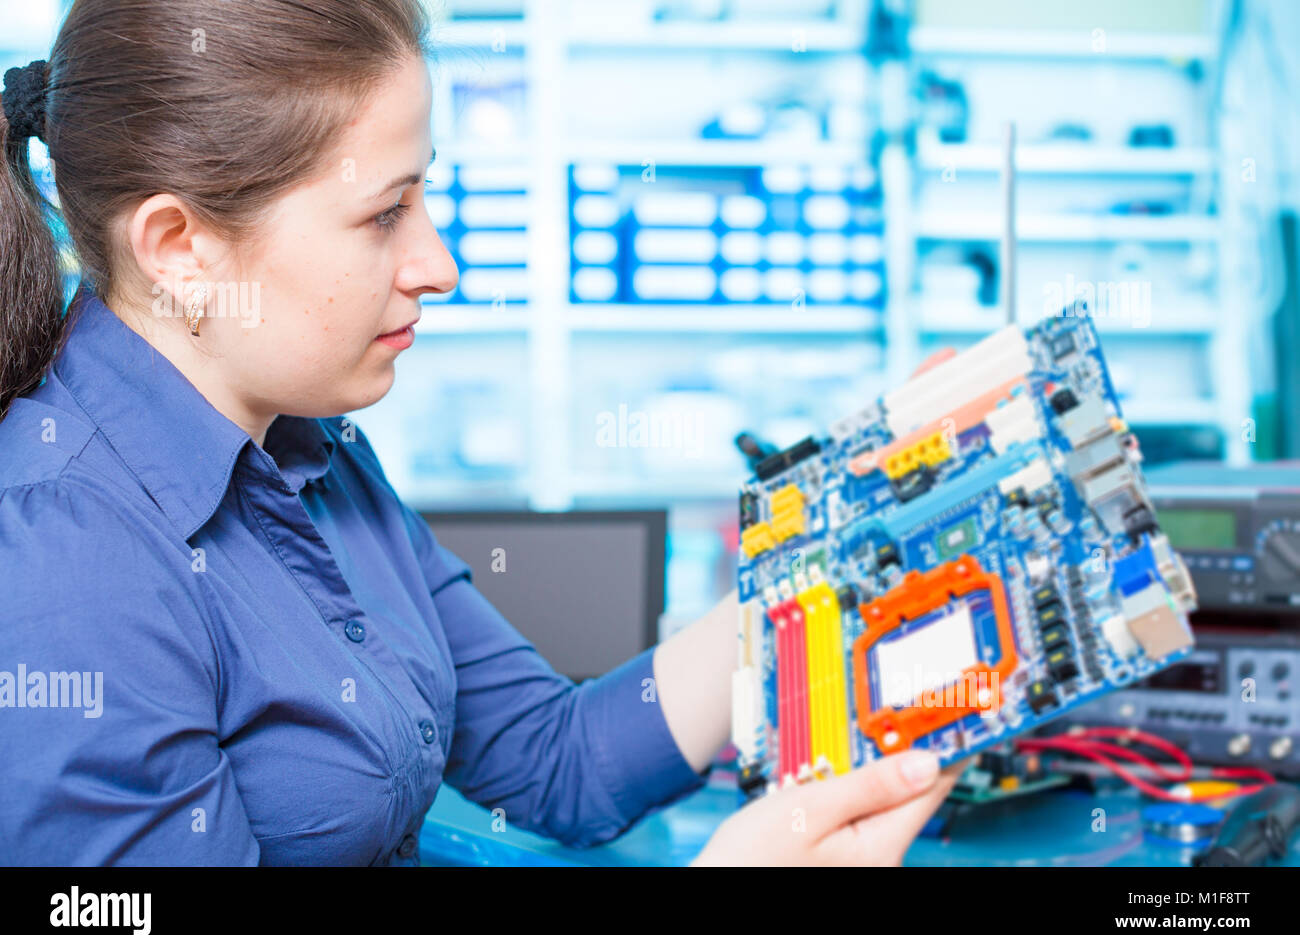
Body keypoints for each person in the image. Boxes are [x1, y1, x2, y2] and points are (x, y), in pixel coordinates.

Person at [0, 0, 962, 866]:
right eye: (384, 214)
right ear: (182, 248)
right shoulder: (61, 560)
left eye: (423, 196)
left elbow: (559, 757)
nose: (440, 263)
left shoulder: (313, 443)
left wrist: (849, 503)